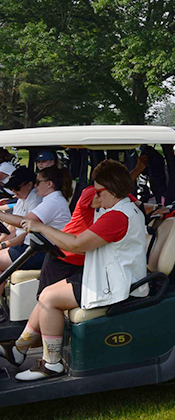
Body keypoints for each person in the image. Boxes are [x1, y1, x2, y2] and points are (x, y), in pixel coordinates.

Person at [1, 160, 147, 380]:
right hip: (109, 275)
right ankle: (20, 350)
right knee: (48, 294)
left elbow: (77, 244)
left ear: (110, 189)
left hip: (115, 283)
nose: (95, 198)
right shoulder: (121, 209)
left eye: (98, 192)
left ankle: (51, 363)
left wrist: (42, 227)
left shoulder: (117, 216)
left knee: (49, 297)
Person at [0, 166, 71, 271]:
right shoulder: (50, 200)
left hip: (44, 253)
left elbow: (24, 222)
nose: (35, 185)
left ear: (49, 184)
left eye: (38, 182)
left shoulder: (53, 202)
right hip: (33, 248)